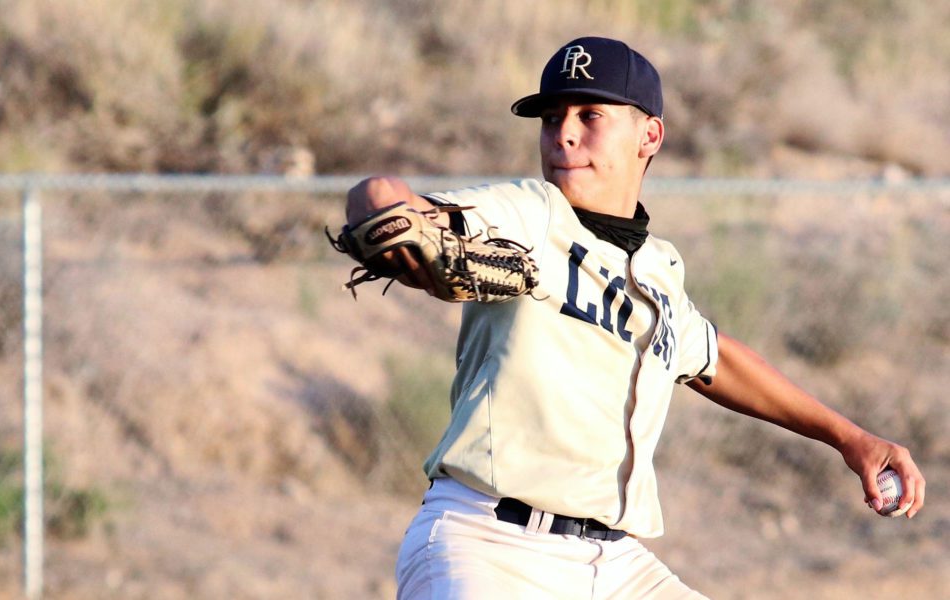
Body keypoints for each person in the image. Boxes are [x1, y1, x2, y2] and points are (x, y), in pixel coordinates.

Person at [344, 36, 926, 599]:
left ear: (649, 135)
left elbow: (714, 359)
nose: (564, 134)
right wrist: (397, 219)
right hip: (489, 547)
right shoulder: (528, 215)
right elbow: (382, 196)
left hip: (612, 562)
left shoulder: (657, 267)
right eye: (551, 119)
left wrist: (851, 438)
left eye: (589, 114)